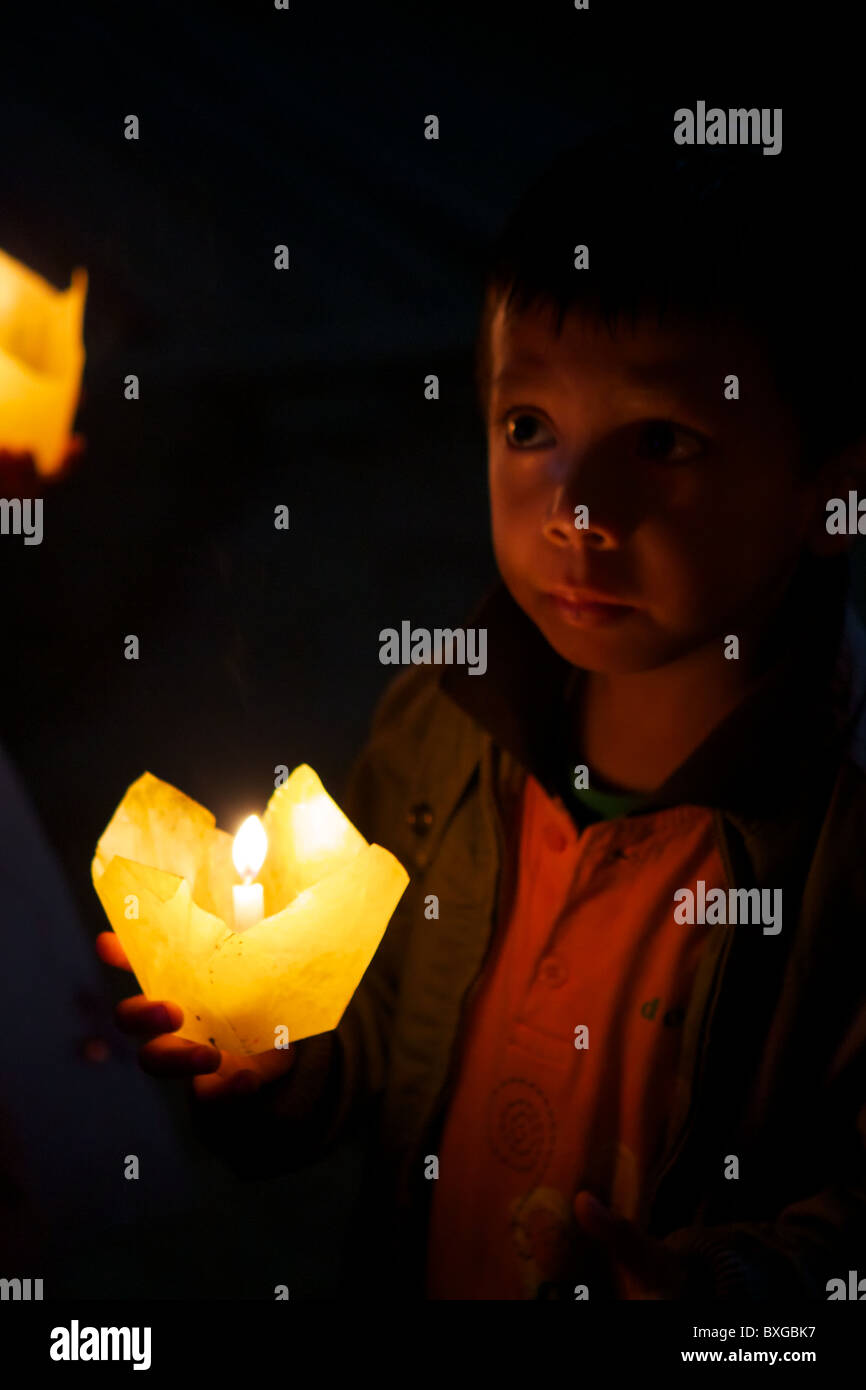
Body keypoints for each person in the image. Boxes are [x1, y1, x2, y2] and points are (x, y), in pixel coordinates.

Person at [98, 119, 866, 1300]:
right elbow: (370, 1033)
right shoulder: (444, 732)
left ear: (832, 487)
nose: (575, 507)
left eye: (661, 440)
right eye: (529, 429)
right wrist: (276, 1064)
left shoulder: (838, 847)